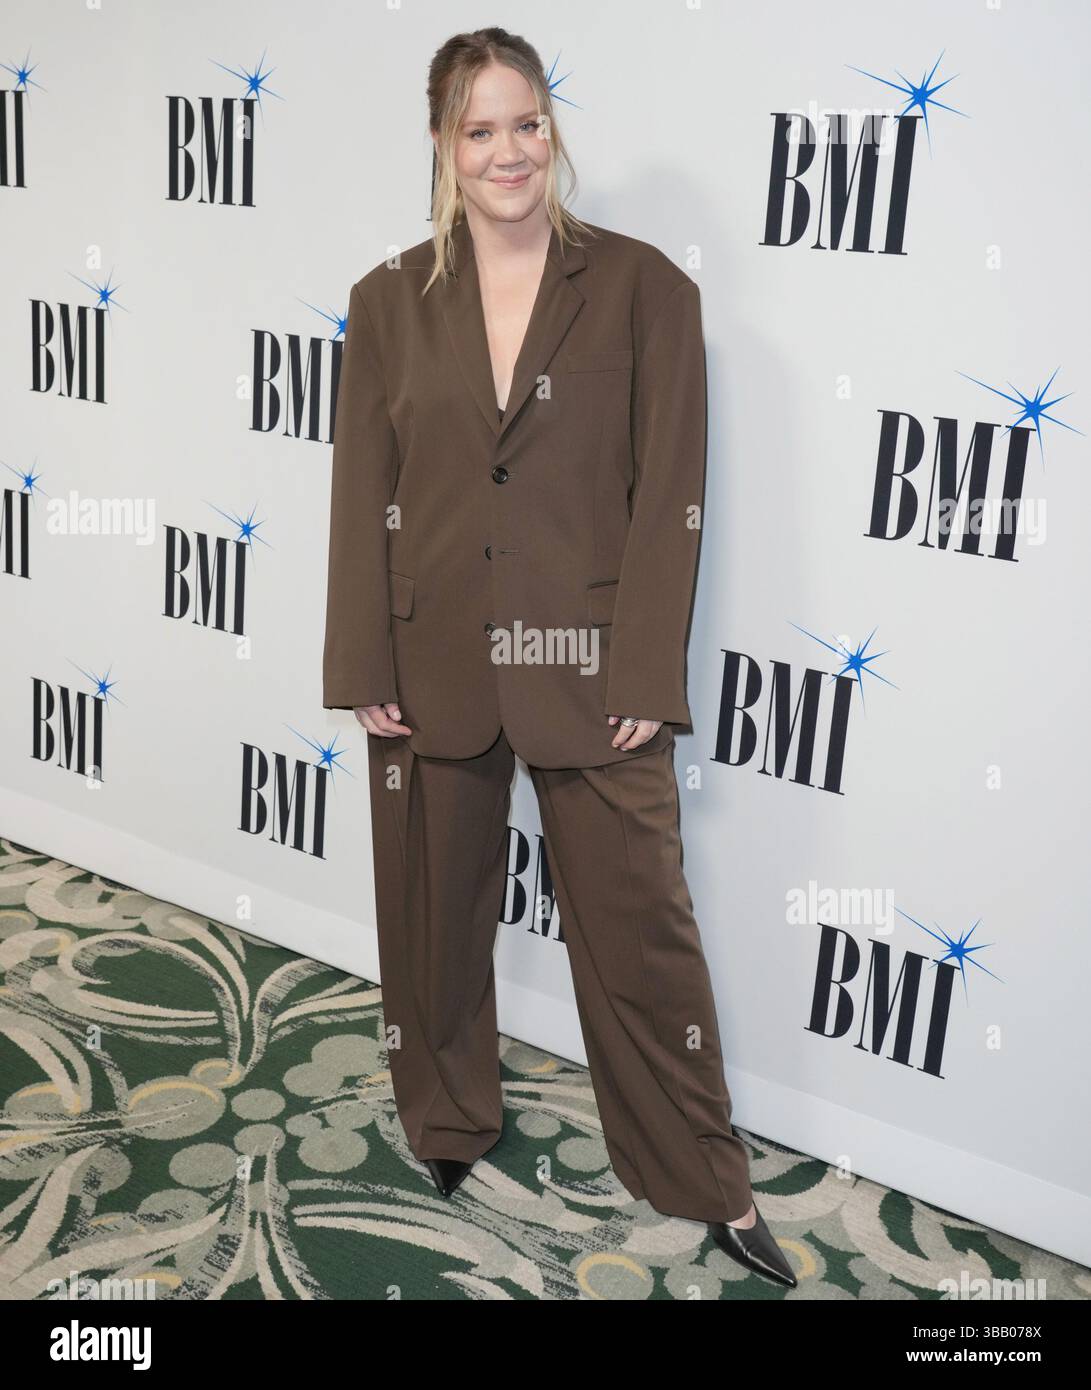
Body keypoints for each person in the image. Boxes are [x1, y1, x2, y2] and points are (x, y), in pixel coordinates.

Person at [322, 25, 796, 1290]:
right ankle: (445, 1118)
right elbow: (362, 490)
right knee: (430, 926)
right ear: (442, 145)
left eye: (524, 122)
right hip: (427, 672)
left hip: (592, 675)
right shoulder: (384, 303)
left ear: (553, 130)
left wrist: (643, 673)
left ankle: (702, 1173)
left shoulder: (644, 289)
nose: (506, 150)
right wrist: (362, 655)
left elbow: (668, 497)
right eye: (478, 129)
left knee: (642, 937)